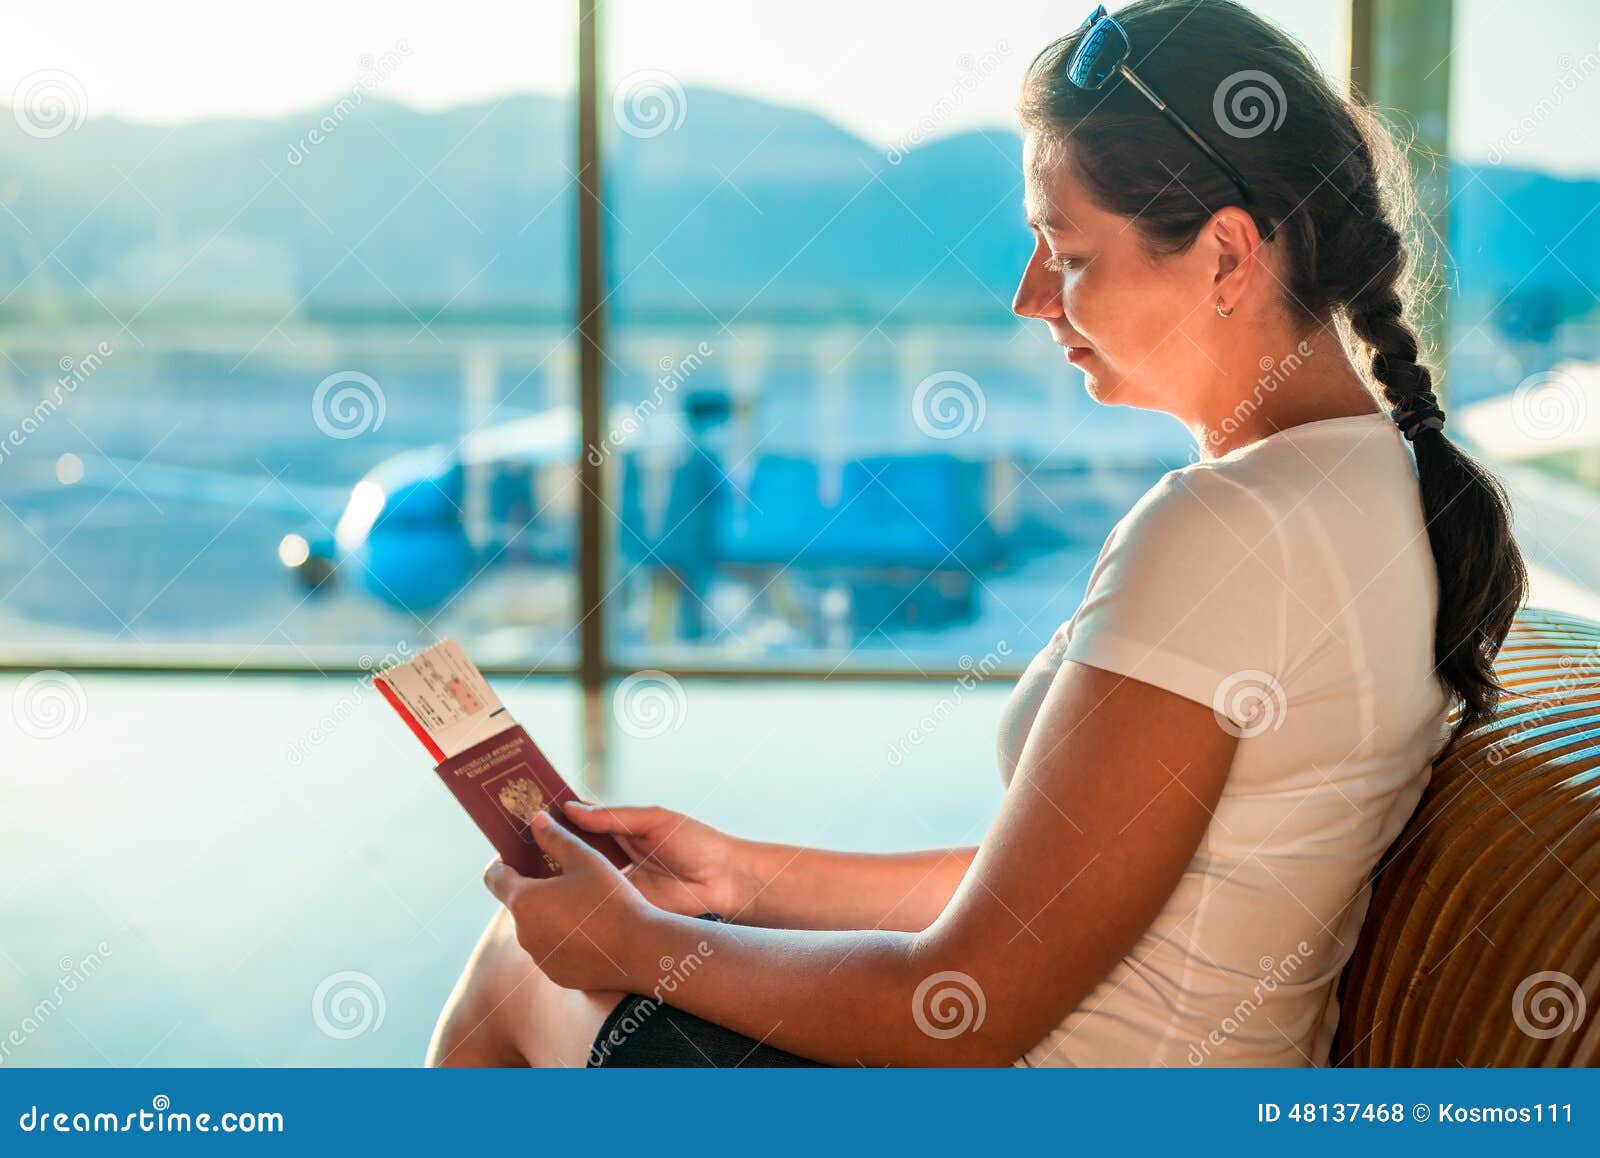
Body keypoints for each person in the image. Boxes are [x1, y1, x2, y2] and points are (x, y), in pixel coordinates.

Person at [426, 0, 1526, 1068]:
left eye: (1068, 252)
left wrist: (636, 946)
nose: (1027, 296)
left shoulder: (1228, 529)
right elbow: (1062, 897)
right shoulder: (1377, 483)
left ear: (1228, 257)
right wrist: (742, 881)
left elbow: (965, 1013)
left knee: (522, 973)